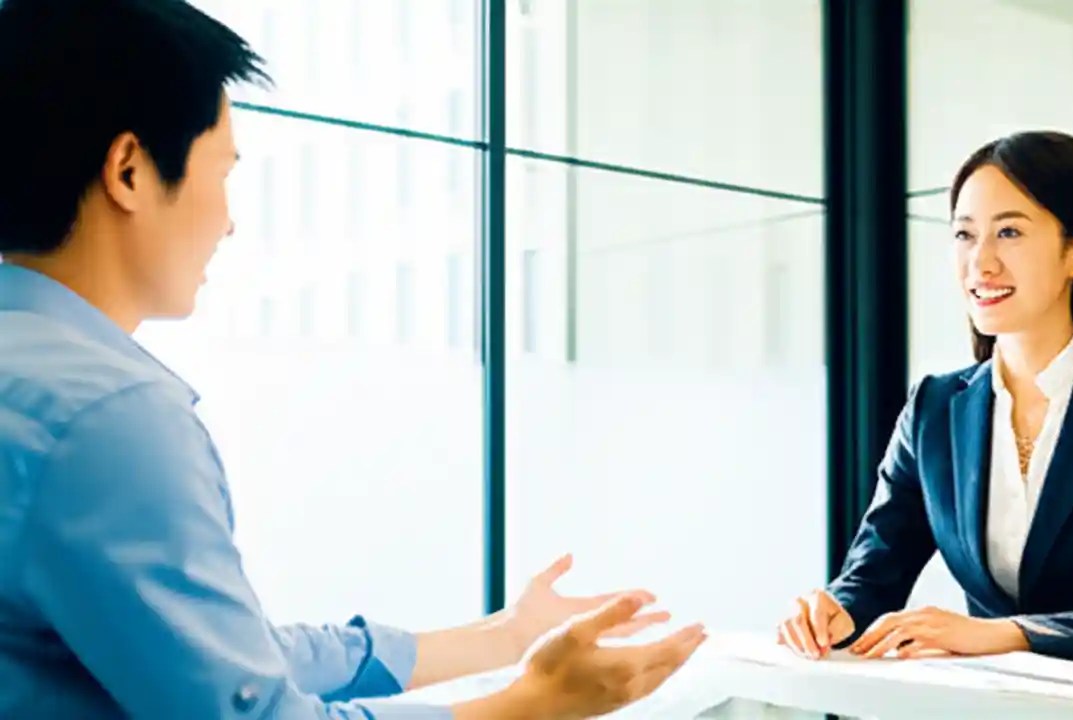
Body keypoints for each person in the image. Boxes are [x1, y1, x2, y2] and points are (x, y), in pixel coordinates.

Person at [0, 1, 704, 718]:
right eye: (224, 172)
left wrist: (506, 637)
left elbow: (223, 652)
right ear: (129, 171)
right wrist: (532, 703)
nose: (230, 220)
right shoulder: (106, 418)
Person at [778, 131, 1073, 672]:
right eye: (964, 235)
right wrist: (833, 611)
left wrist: (1010, 635)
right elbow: (872, 580)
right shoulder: (933, 410)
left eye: (1010, 232)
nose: (981, 262)